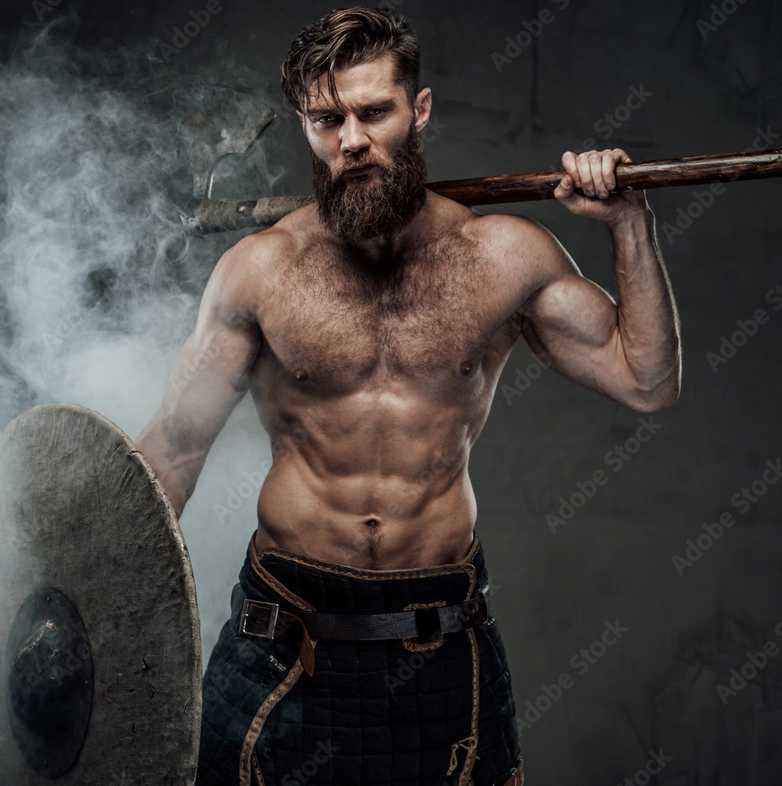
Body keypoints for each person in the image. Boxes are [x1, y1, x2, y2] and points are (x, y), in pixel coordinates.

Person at [138, 7, 680, 785]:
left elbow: (648, 380)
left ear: (417, 111)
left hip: (441, 644)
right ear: (304, 125)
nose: (351, 139)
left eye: (373, 112)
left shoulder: (504, 256)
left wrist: (629, 224)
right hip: (282, 641)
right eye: (327, 120)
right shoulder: (260, 270)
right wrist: (98, 595)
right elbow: (172, 451)